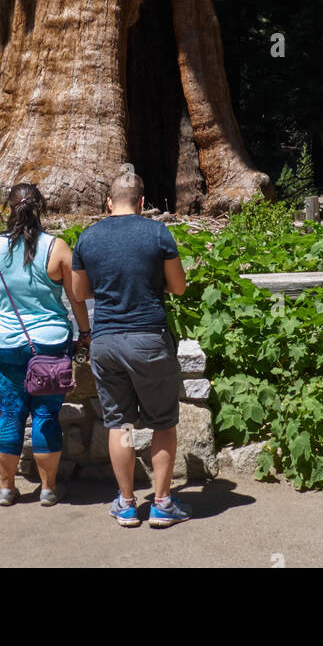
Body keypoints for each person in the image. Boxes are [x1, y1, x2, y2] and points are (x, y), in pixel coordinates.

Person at [0, 183, 91, 506]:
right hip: (50, 345)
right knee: (45, 416)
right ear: (40, 208)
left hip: (7, 344)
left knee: (11, 414)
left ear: (9, 208)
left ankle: (6, 488)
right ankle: (48, 489)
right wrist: (84, 333)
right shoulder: (57, 248)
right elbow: (76, 298)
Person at [71, 170, 189, 528]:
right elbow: (179, 287)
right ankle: (162, 504)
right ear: (142, 203)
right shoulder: (157, 233)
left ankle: (125, 503)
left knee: (120, 424)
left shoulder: (87, 238)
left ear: (109, 203)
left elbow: (79, 292)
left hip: (106, 343)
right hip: (148, 341)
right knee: (163, 423)